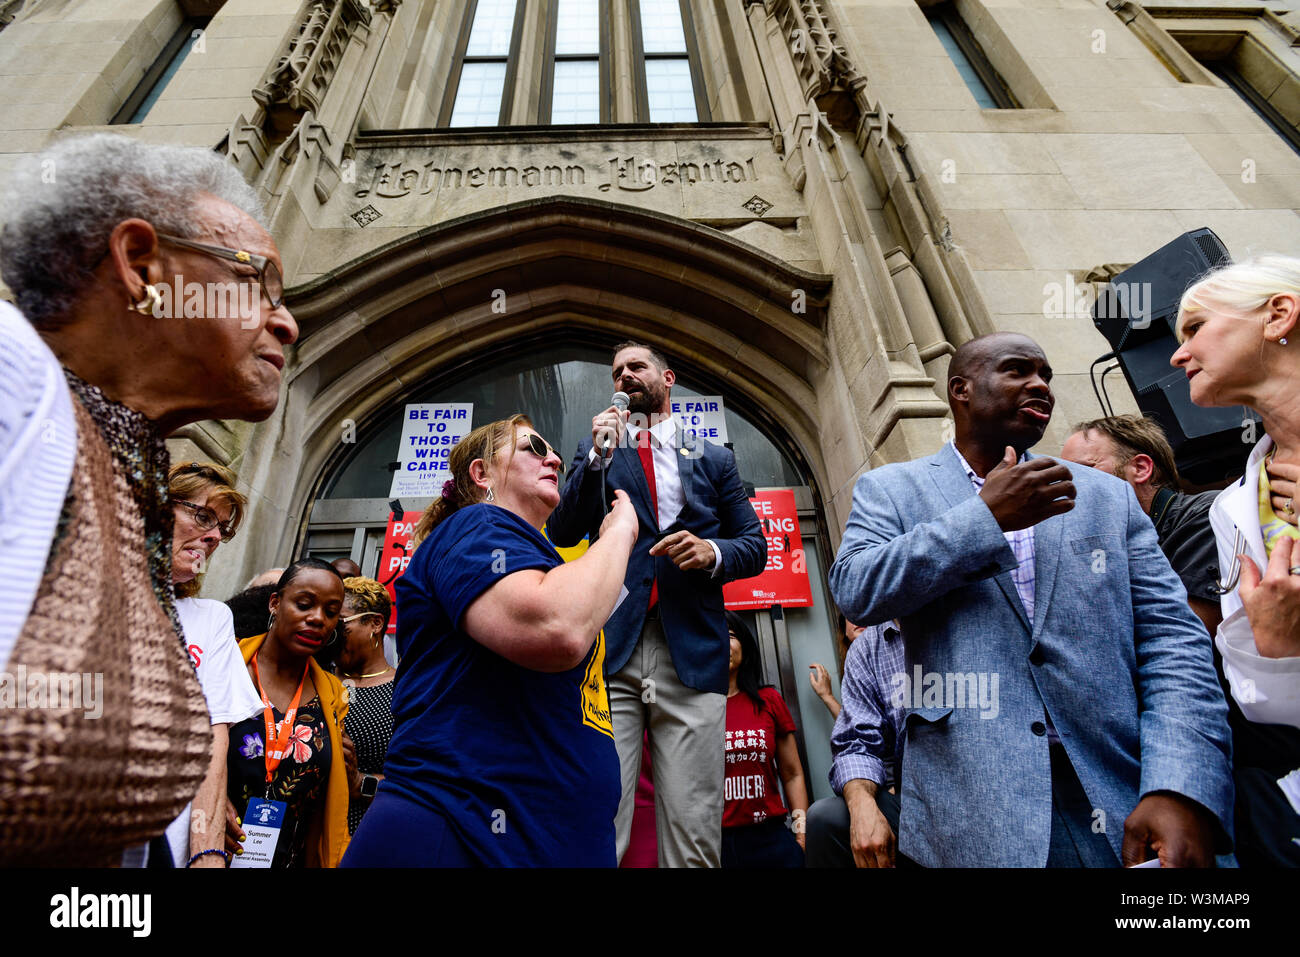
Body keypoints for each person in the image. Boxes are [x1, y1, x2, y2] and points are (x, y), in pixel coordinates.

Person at [0, 132, 298, 865]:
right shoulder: (14, 375)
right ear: (140, 264)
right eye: (258, 285)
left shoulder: (122, 461)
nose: (286, 321)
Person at [830, 331, 1234, 867]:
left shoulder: (1106, 496)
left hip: (1126, 794)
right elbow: (857, 590)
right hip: (976, 814)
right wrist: (983, 520)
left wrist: (1180, 786)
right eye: (1018, 370)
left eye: (1045, 372)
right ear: (961, 390)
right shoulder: (891, 490)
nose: (1040, 384)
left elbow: (1173, 642)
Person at [342, 415, 638, 866]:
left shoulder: (543, 561)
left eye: (553, 450)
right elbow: (555, 629)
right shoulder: (476, 525)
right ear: (482, 474)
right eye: (533, 448)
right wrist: (619, 534)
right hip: (464, 830)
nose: (555, 457)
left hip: (547, 838)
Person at [547, 342, 767, 868]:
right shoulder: (596, 450)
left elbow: (754, 545)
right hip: (611, 653)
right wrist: (598, 455)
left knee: (693, 831)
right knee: (600, 821)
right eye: (616, 371)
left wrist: (710, 551)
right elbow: (561, 528)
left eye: (636, 367)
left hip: (691, 653)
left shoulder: (713, 458)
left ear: (667, 378)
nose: (624, 376)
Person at [1171, 256, 1300, 864]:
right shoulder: (1232, 507)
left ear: (1279, 314)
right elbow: (1259, 698)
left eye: (1194, 328)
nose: (1177, 354)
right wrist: (1278, 648)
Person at [155, 462, 263, 869]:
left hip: (170, 845)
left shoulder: (211, 619)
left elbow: (211, 745)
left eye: (222, 528)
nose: (215, 536)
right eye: (202, 516)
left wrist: (207, 854)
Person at [225, 559, 354, 868]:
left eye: (331, 611)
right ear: (275, 603)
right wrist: (207, 803)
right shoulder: (227, 667)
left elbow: (321, 807)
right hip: (210, 851)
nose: (317, 618)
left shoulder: (332, 696)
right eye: (304, 604)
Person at [1061, 415, 1223, 636]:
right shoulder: (1110, 540)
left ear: (1140, 468)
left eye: (1083, 471)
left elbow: (1189, 628)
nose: (1068, 487)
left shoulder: (1207, 512)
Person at [805, 620, 909, 868]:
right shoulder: (863, 653)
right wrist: (863, 803)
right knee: (824, 818)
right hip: (897, 788)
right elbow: (859, 739)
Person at [721, 612, 807, 868]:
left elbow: (792, 774)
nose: (723, 644)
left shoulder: (769, 699)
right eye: (714, 636)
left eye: (731, 636)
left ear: (745, 647)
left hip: (771, 838)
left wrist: (801, 832)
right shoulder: (691, 709)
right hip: (715, 843)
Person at [337, 576, 395, 835]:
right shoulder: (314, 681)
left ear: (375, 623)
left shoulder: (405, 692)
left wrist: (360, 783)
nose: (331, 632)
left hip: (366, 832)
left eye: (341, 624)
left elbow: (422, 780)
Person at [808, 609, 867, 719]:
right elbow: (853, 726)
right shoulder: (852, 668)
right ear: (845, 630)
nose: (858, 620)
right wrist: (827, 696)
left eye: (864, 612)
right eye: (852, 614)